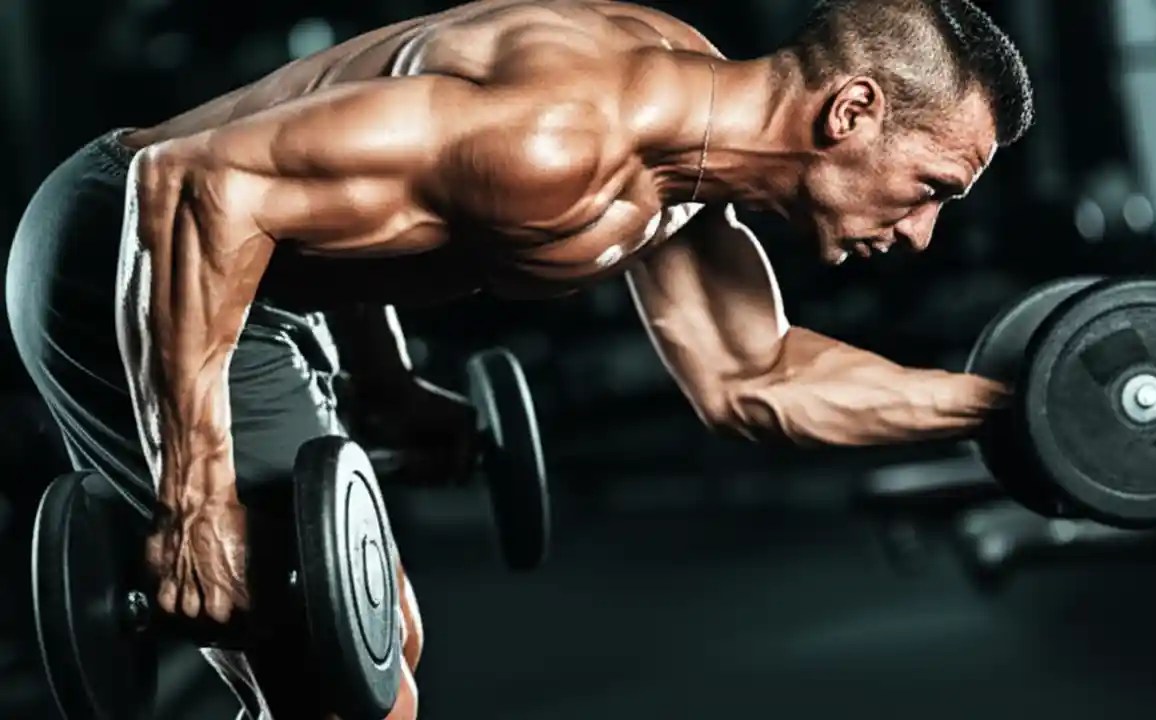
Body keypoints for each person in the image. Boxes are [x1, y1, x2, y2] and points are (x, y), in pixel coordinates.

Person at [5, 0, 1033, 717]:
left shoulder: (689, 151)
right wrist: (195, 505)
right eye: (932, 186)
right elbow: (198, 187)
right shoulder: (558, 139)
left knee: (369, 655)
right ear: (850, 111)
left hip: (251, 280)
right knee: (341, 678)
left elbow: (754, 382)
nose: (920, 235)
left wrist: (1011, 405)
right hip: (124, 245)